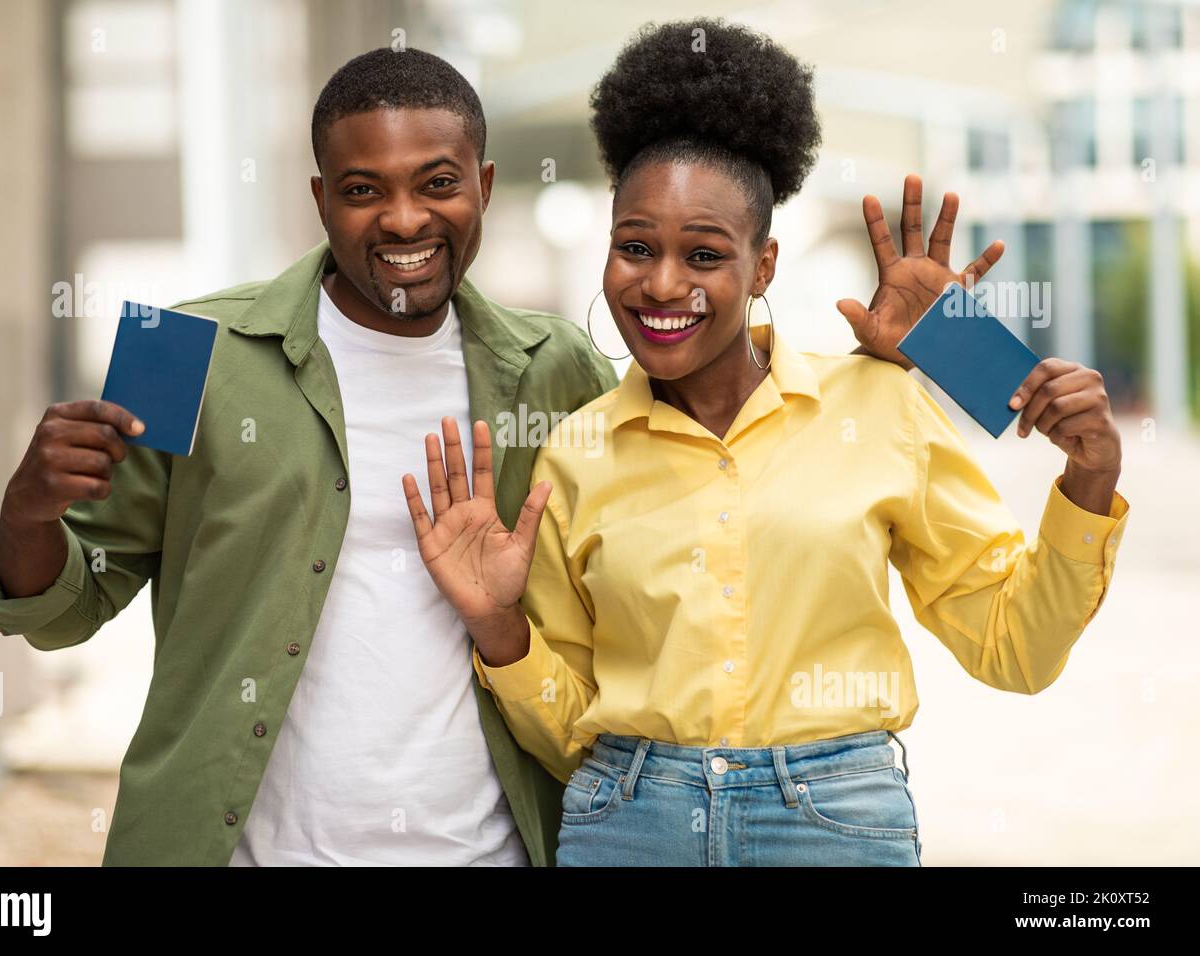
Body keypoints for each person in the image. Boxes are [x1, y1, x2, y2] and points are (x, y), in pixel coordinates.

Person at [403, 19, 1130, 866]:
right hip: (631, 824)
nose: (662, 283)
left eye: (704, 254)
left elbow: (1017, 650)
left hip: (831, 825)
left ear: (765, 265)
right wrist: (499, 630)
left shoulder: (878, 406)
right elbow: (573, 735)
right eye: (634, 247)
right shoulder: (576, 451)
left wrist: (1087, 481)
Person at [0, 48, 620, 866]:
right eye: (362, 190)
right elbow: (62, 612)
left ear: (483, 185)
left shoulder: (561, 369)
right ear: (320, 198)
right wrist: (25, 516)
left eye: (438, 183)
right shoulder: (172, 349)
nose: (405, 220)